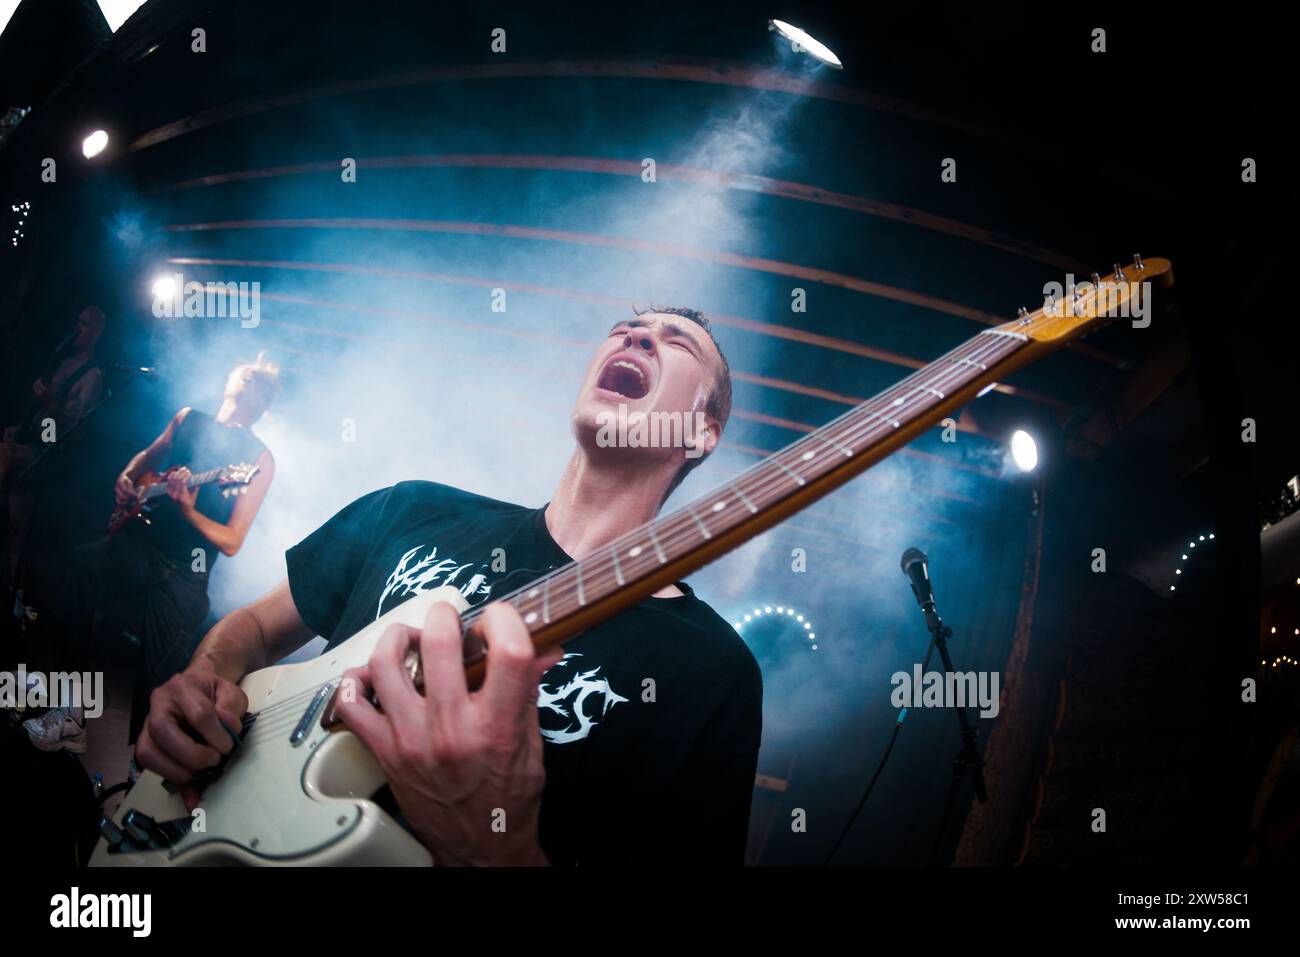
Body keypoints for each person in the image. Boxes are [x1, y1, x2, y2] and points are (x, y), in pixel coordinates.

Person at [136, 308, 763, 865]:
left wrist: (490, 848)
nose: (637, 337)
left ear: (702, 432)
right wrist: (204, 675)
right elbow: (255, 628)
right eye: (625, 330)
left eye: (674, 341)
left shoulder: (710, 670)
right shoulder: (413, 508)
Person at [24, 355, 279, 753]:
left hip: (184, 574)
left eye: (260, 383)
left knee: (161, 684)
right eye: (246, 373)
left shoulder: (257, 459)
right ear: (229, 379)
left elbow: (232, 540)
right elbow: (150, 455)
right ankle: (72, 713)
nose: (250, 381)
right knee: (75, 581)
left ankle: (141, 776)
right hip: (141, 543)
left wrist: (190, 511)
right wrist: (127, 478)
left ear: (264, 406)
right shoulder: (188, 418)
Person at [1, 305, 105, 595]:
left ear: (96, 333)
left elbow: (77, 427)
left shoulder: (92, 375)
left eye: (84, 324)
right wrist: (20, 426)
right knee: (15, 531)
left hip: (51, 455)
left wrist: (50, 406)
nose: (76, 328)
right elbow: (42, 415)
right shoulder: (62, 361)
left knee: (4, 456)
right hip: (32, 441)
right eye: (77, 321)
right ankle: (14, 592)